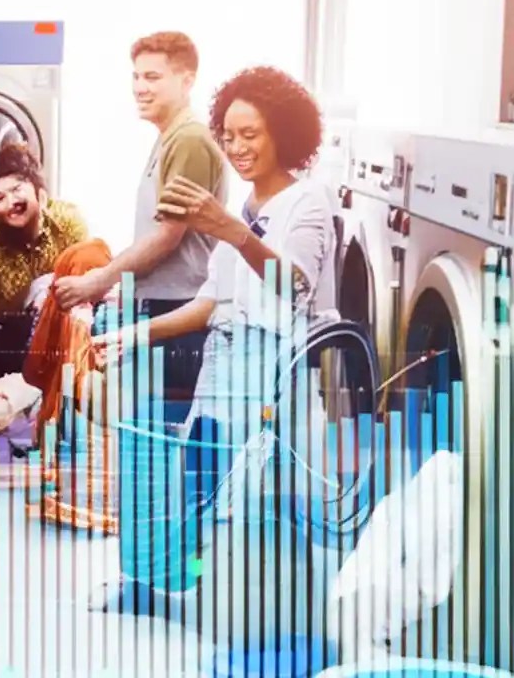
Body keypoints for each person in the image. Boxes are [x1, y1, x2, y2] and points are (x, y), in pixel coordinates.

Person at [88, 65, 336, 611]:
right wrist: (136, 333)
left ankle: (260, 610)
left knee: (254, 491)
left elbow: (291, 283)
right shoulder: (246, 208)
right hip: (223, 362)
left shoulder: (307, 203)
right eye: (230, 133)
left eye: (252, 134)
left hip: (268, 364)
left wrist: (226, 226)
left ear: (284, 135)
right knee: (201, 482)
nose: (238, 146)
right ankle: (203, 593)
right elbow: (211, 303)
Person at [54, 31, 227, 403]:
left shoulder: (189, 139)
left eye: (152, 77)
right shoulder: (170, 137)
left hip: (179, 309)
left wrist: (98, 280)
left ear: (187, 81)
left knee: (157, 431)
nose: (139, 87)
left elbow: (168, 236)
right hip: (165, 303)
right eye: (136, 76)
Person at [0, 143, 101, 379]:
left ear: (42, 197)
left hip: (68, 327)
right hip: (12, 343)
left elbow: (88, 272)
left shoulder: (67, 221)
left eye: (17, 190)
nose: (10, 203)